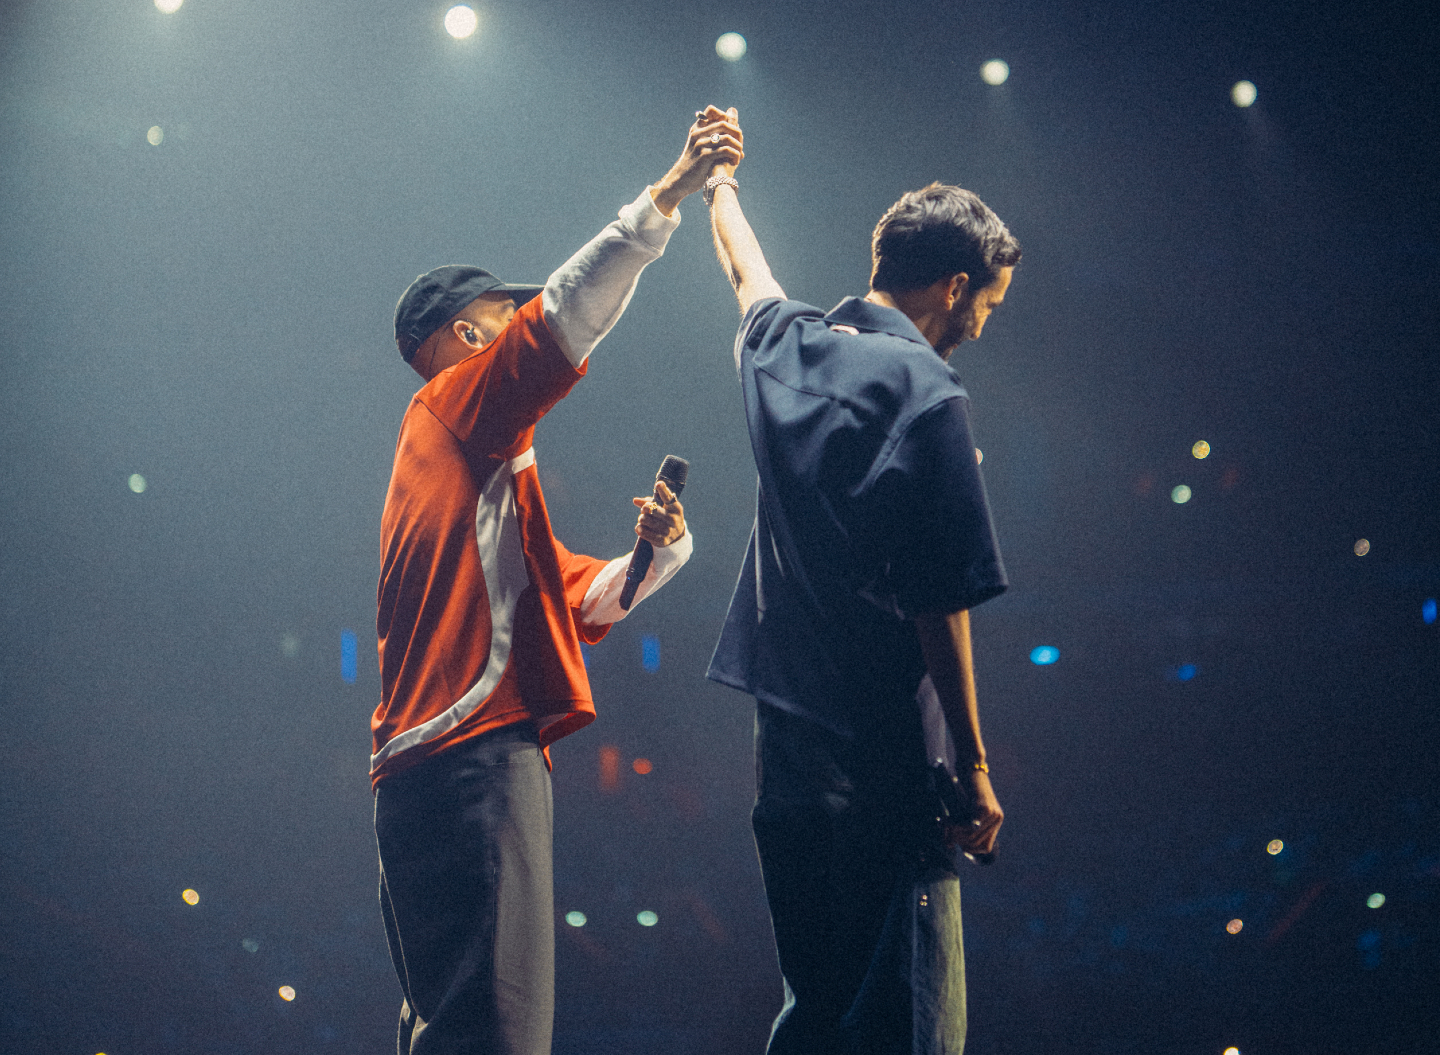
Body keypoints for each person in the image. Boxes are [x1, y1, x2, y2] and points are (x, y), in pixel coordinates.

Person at [371, 110, 743, 1055]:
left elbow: (583, 598)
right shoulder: (457, 402)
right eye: (503, 318)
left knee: (449, 1030)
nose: (520, 327)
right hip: (475, 756)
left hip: (418, 771)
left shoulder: (460, 469)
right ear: (466, 334)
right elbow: (565, 316)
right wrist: (668, 193)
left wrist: (662, 550)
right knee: (500, 1034)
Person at [698, 105, 1020, 1054]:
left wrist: (719, 182)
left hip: (786, 756)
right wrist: (974, 764)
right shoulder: (927, 396)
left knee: (815, 1013)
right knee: (908, 1024)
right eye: (988, 306)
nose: (981, 327)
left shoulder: (782, 348)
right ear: (955, 285)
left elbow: (743, 269)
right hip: (884, 763)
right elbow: (938, 601)